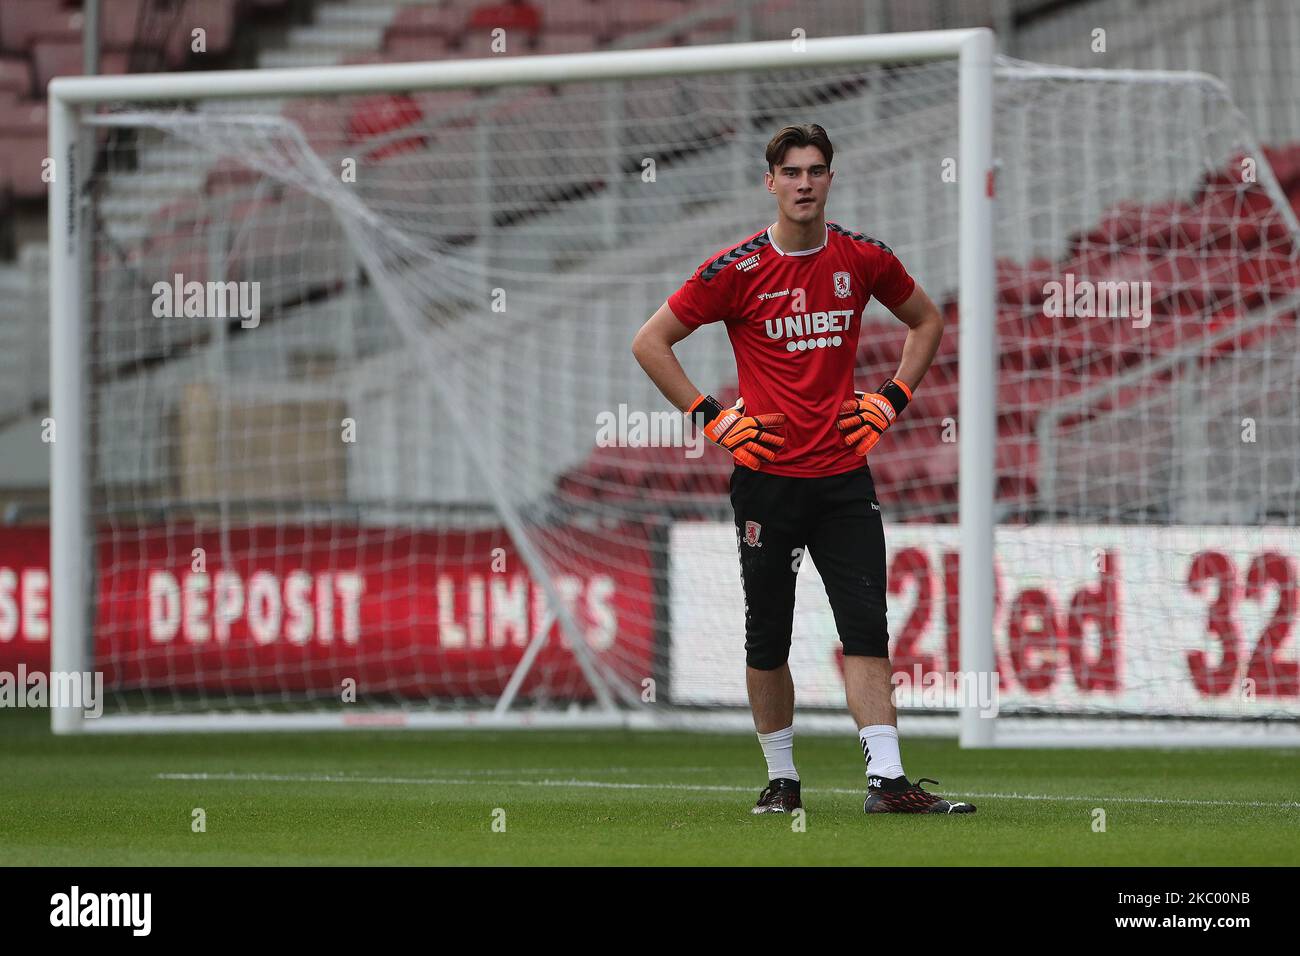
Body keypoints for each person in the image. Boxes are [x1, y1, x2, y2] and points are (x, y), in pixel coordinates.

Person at [631, 124, 974, 815]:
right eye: (791, 172)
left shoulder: (862, 258)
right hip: (769, 482)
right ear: (771, 182)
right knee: (768, 636)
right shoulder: (737, 270)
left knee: (867, 630)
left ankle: (887, 781)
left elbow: (927, 321)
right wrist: (714, 417)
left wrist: (891, 399)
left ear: (830, 179)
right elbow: (651, 342)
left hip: (845, 480)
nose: (804, 182)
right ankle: (782, 780)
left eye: (816, 170)